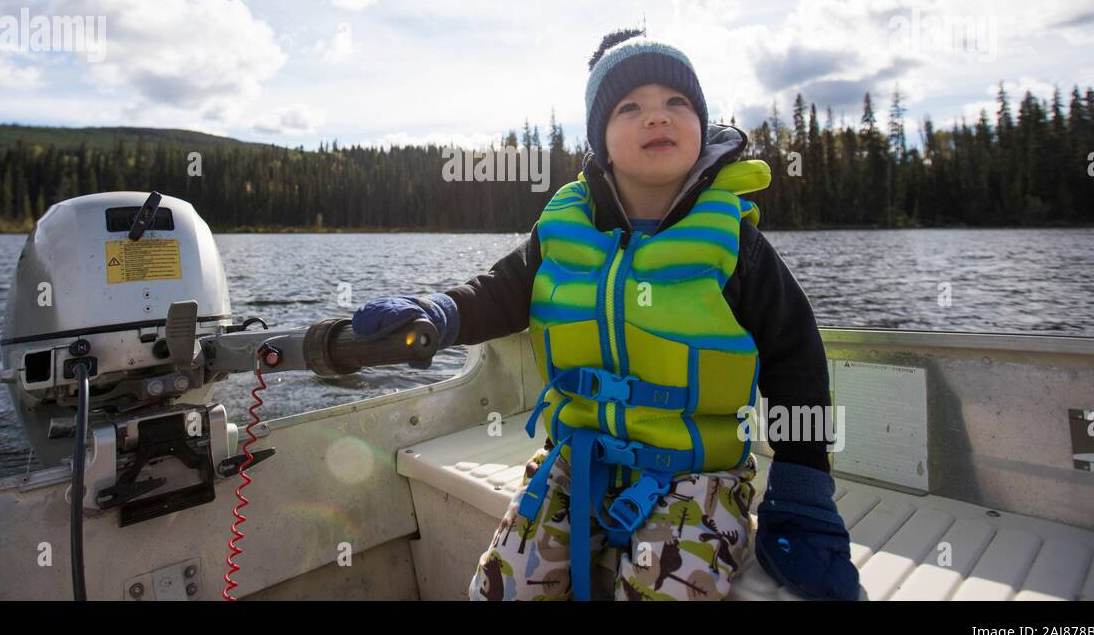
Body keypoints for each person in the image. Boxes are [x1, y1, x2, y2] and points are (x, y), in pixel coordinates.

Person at [353, 29, 860, 601]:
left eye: (677, 103)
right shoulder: (562, 229)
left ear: (701, 124)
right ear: (601, 138)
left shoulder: (735, 243)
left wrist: (802, 491)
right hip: (576, 463)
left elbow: (796, 360)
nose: (657, 117)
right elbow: (497, 292)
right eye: (630, 106)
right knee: (502, 590)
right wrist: (437, 313)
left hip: (698, 474)